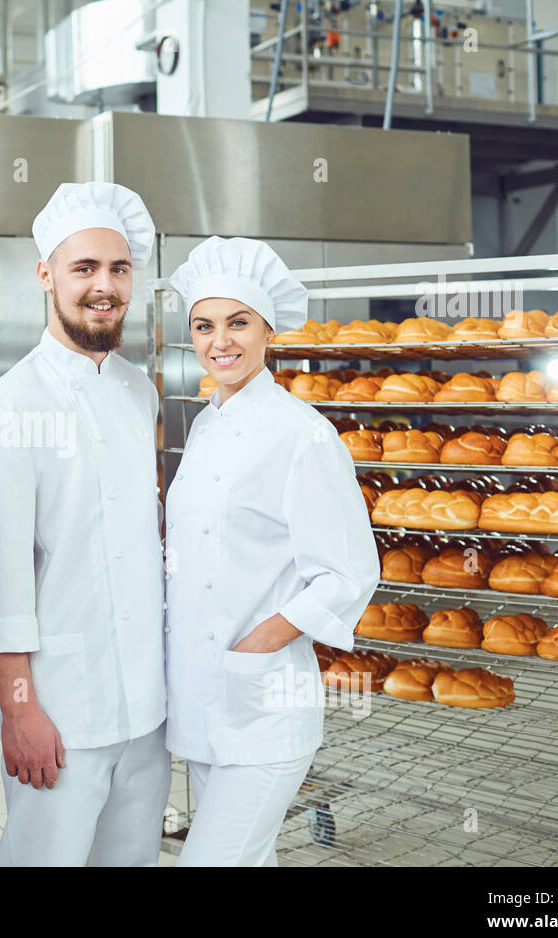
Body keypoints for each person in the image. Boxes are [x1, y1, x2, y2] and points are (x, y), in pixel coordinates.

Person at [0, 181, 170, 866]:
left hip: (147, 707)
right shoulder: (6, 406)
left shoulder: (139, 390)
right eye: (84, 269)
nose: (104, 286)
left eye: (119, 268)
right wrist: (18, 710)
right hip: (62, 708)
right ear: (45, 275)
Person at [163, 235, 379, 867]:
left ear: (267, 332)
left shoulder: (303, 434)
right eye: (204, 325)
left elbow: (347, 572)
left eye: (238, 323)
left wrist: (256, 644)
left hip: (263, 706)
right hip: (202, 704)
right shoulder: (205, 423)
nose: (219, 341)